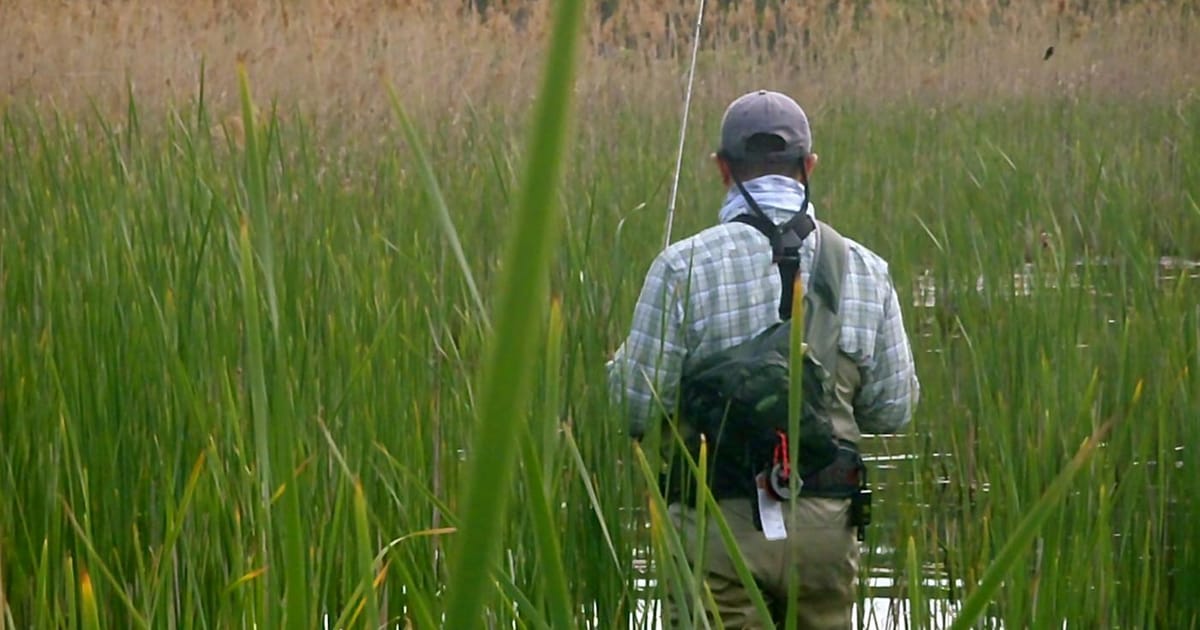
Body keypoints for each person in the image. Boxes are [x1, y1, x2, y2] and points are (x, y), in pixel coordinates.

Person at [606, 89, 920, 629]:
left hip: (716, 532)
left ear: (722, 169)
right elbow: (893, 409)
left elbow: (634, 412)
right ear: (809, 166)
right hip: (825, 534)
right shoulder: (868, 269)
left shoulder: (681, 267)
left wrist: (621, 368)